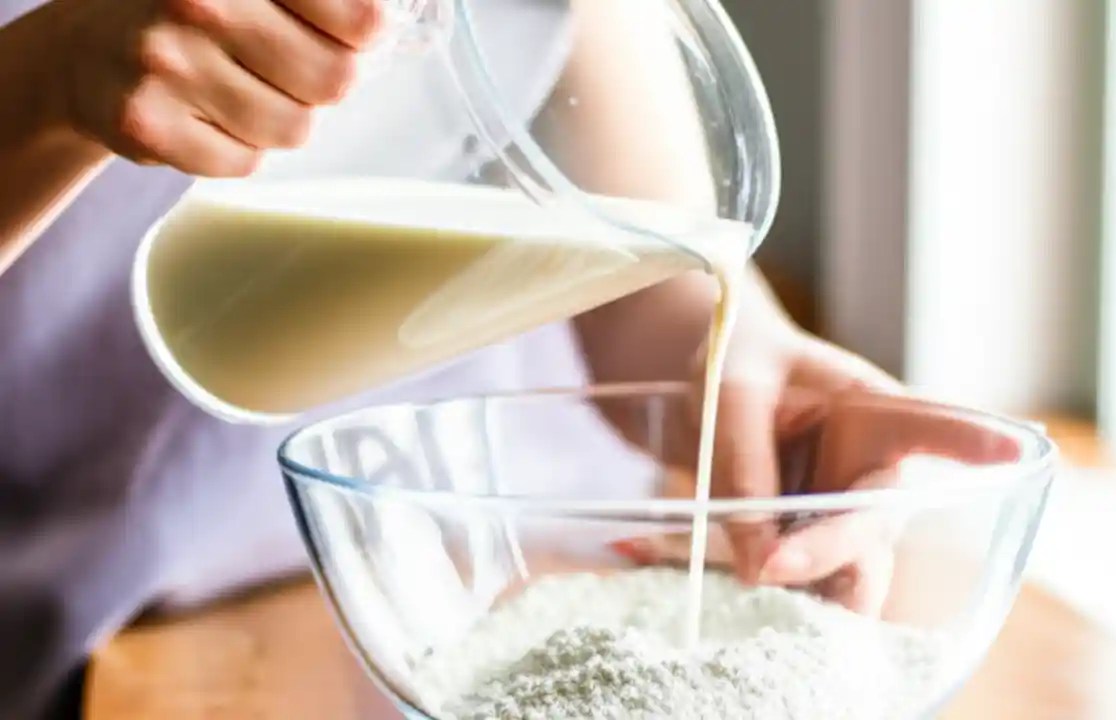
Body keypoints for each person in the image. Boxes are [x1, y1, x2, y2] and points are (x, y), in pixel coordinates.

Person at [0, 0, 1017, 717]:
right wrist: (44, 81)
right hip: (88, 617)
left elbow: (660, 277)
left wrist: (752, 367)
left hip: (484, 572)